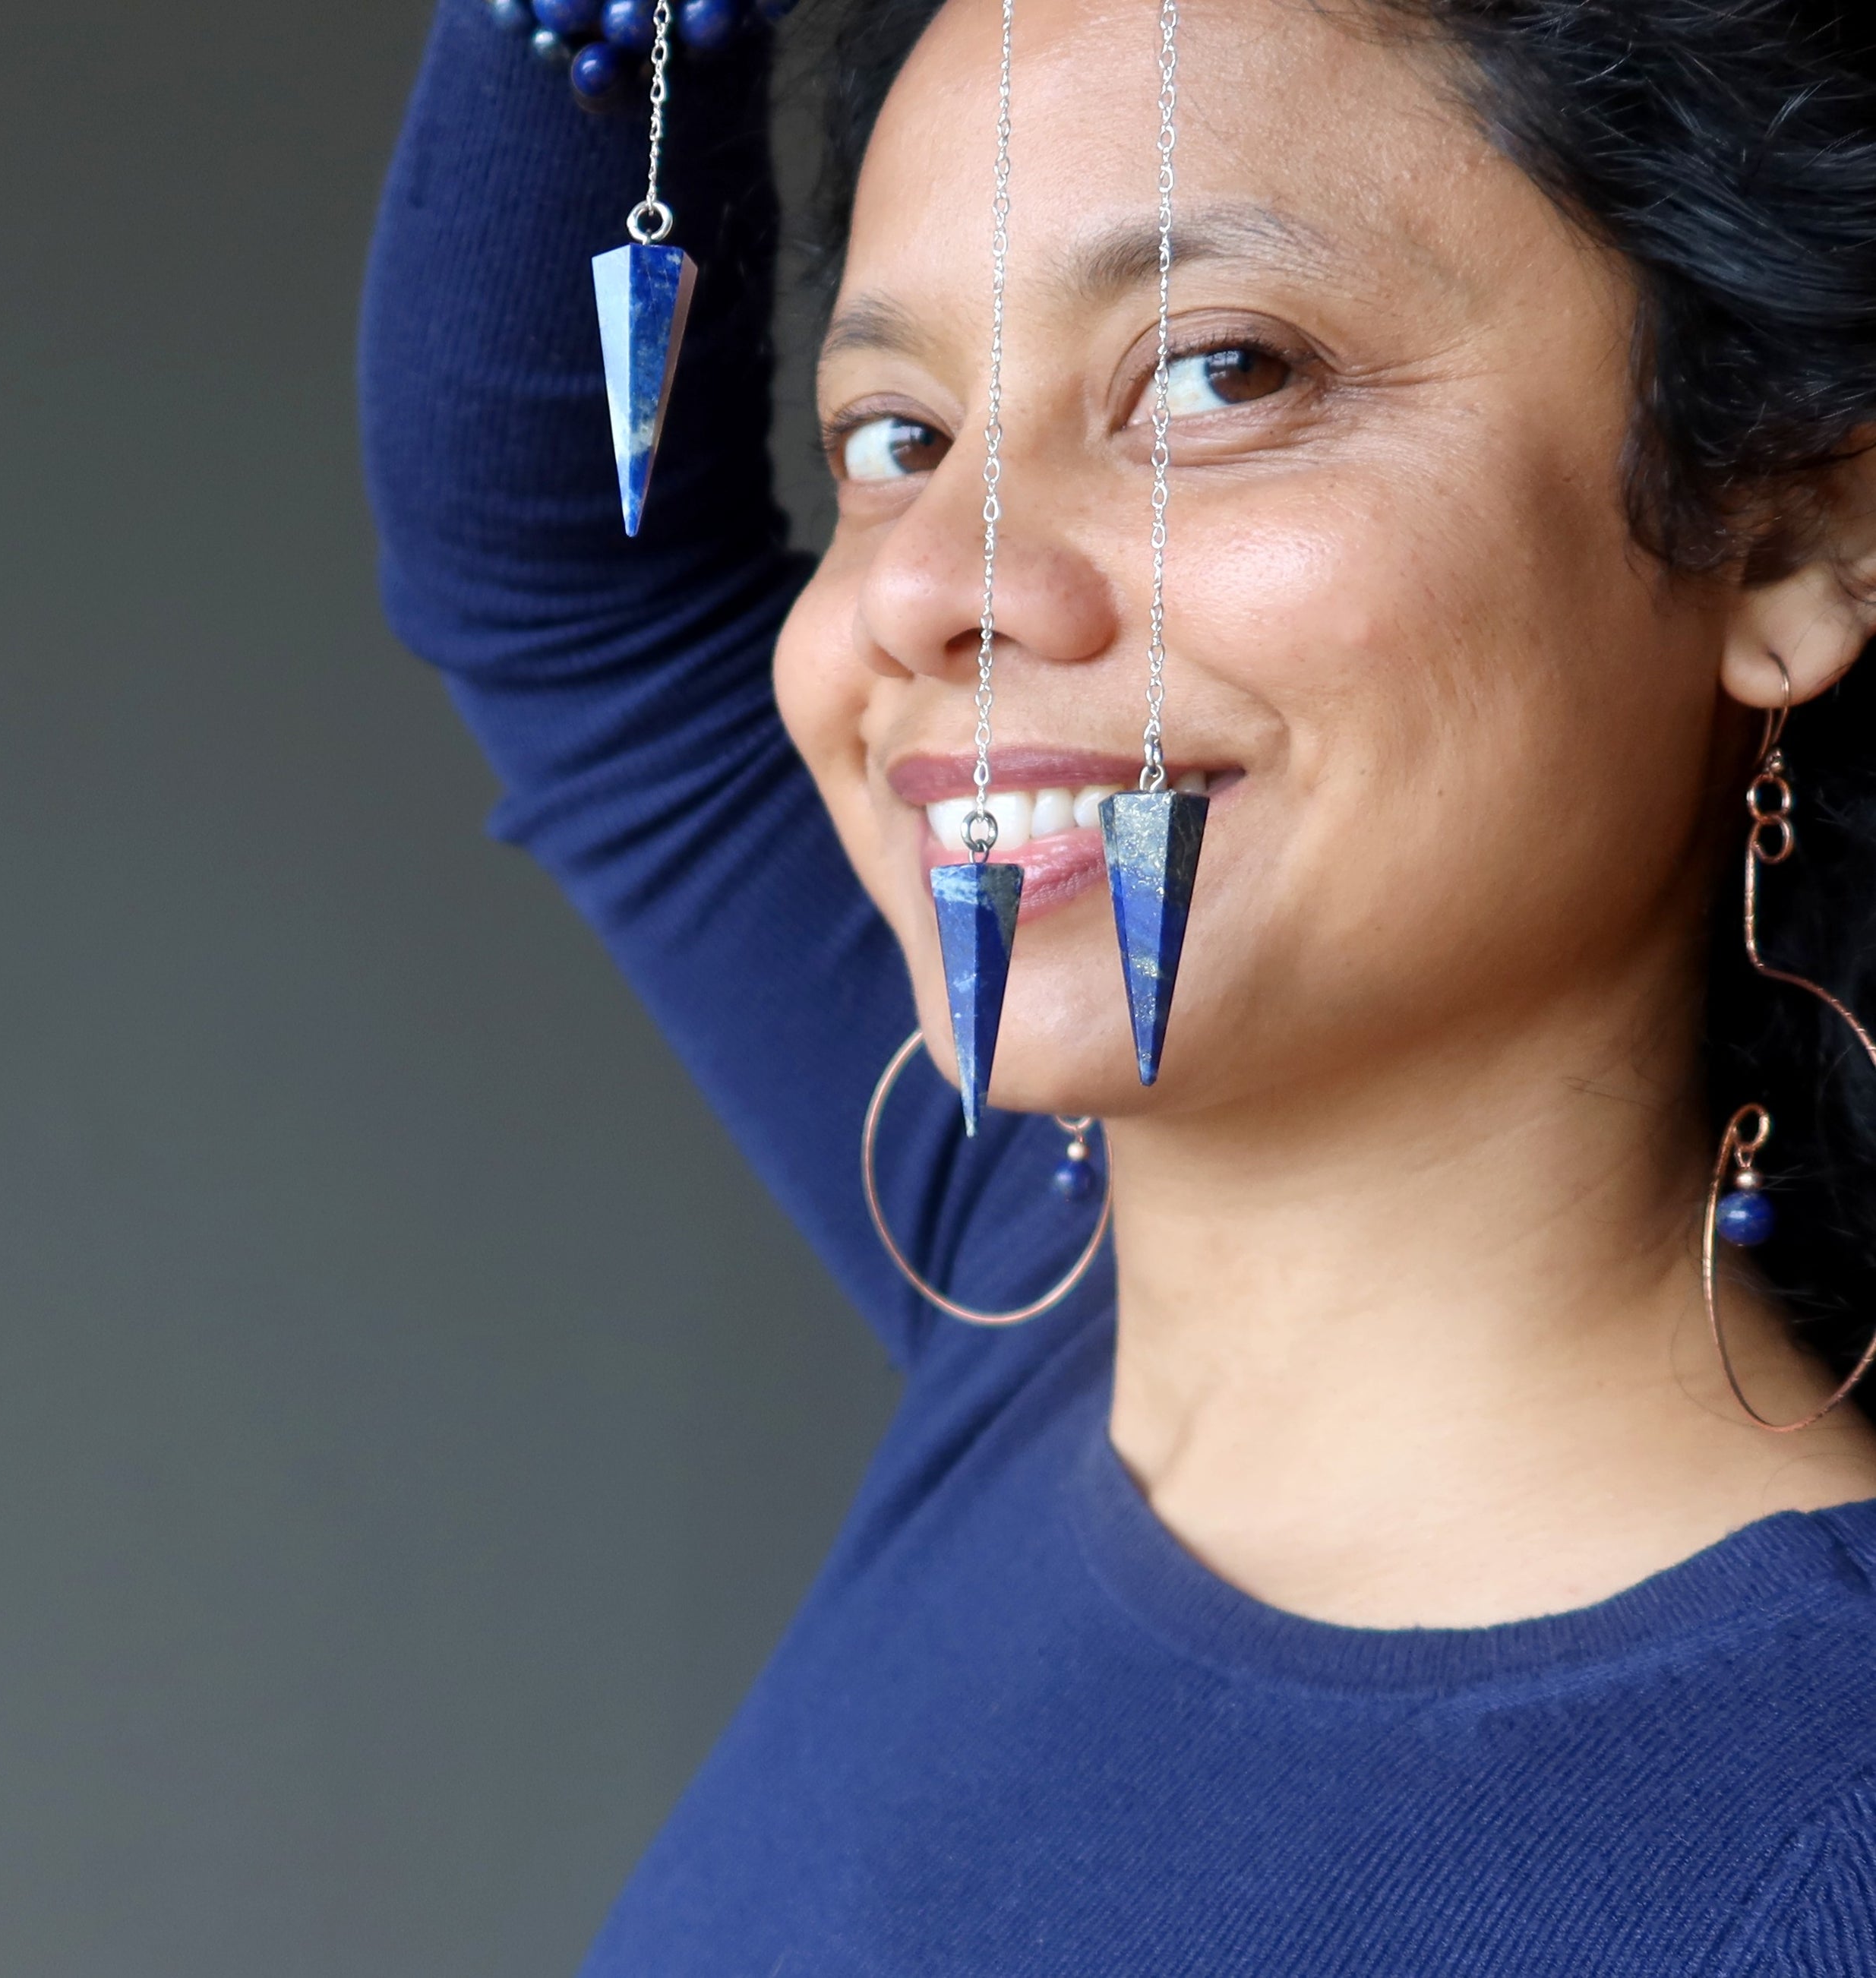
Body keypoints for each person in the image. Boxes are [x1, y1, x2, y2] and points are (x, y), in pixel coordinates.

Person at [360, 0, 1876, 1966]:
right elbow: (554, 567)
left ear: (1785, 534)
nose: (929, 585)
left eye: (1217, 374)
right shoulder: (1047, 1271)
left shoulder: (1810, 1843)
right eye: (896, 440)